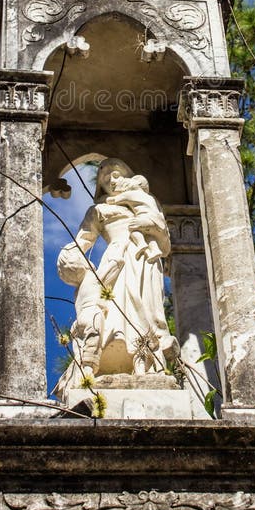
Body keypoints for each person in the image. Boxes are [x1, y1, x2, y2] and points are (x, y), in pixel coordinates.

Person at [54, 158, 179, 398]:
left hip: (144, 259)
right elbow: (83, 241)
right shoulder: (99, 209)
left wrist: (147, 224)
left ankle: (147, 363)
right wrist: (69, 258)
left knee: (145, 308)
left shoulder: (146, 202)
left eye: (116, 174)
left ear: (128, 175)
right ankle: (118, 359)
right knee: (118, 308)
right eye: (105, 178)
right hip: (117, 260)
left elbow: (164, 240)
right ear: (99, 186)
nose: (111, 180)